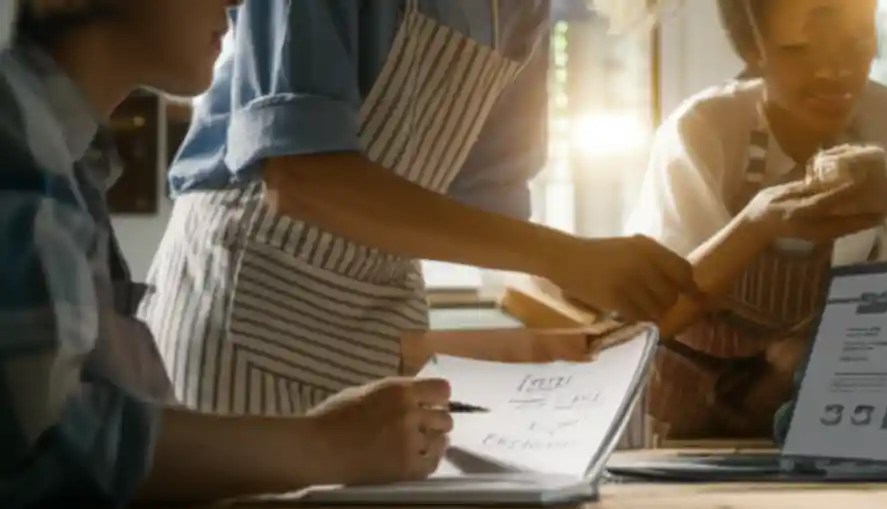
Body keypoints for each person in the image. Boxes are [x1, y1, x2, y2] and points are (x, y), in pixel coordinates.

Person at [0, 0, 453, 509]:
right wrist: (325, 444)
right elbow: (42, 442)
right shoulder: (16, 144)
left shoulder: (71, 162)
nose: (238, 2)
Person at [140, 0, 696, 416]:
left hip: (374, 333)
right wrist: (566, 256)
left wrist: (610, 307)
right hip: (248, 310)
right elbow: (301, 176)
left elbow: (492, 219)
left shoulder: (524, 10)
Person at [628, 0, 887, 441]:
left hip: (831, 410)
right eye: (799, 49)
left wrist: (821, 349)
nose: (833, 72)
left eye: (856, 43)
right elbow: (659, 312)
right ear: (754, 48)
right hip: (687, 417)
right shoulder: (704, 130)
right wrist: (759, 223)